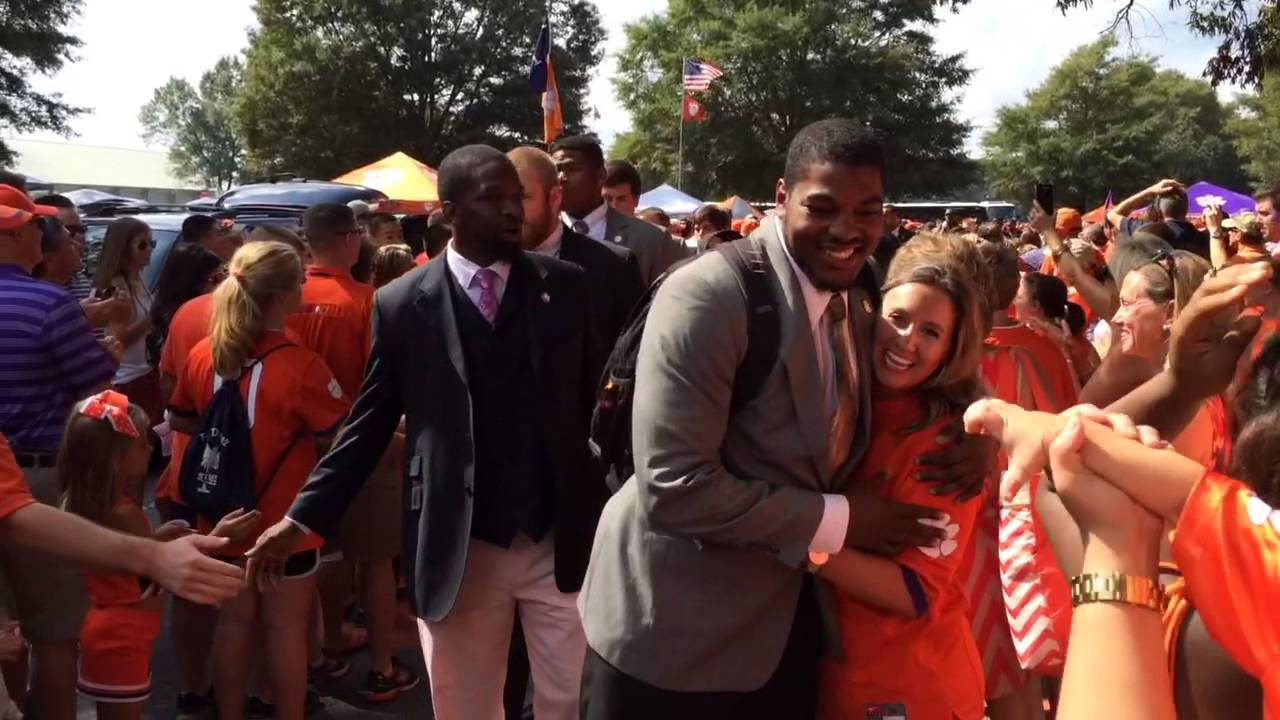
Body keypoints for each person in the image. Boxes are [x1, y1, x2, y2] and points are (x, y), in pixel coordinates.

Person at [575, 120, 990, 718]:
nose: (848, 231)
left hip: (780, 648)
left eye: (867, 211)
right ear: (781, 197)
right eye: (823, 208)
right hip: (671, 645)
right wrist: (842, 522)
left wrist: (981, 431)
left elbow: (935, 356)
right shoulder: (712, 296)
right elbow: (675, 488)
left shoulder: (853, 291)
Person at [248, 145, 605, 720]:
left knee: (572, 702)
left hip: (558, 542)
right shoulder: (401, 304)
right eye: (494, 199)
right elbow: (368, 424)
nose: (513, 211)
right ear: (450, 213)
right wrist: (302, 518)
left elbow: (599, 406)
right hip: (459, 546)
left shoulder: (565, 288)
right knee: (466, 706)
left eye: (517, 197)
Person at [168, 241, 351, 720]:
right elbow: (338, 437)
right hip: (286, 524)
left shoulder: (204, 354)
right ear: (286, 294)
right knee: (285, 633)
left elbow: (183, 422)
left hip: (223, 518)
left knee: (234, 627)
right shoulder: (301, 364)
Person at [817, 233, 990, 719]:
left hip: (909, 688)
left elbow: (915, 591)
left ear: (951, 349)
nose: (907, 341)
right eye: (898, 319)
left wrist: (804, 538)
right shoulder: (846, 397)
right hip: (839, 678)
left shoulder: (946, 446)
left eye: (931, 333)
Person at [287, 202, 418, 700]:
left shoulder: (284, 295)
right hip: (363, 440)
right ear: (350, 237)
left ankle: (323, 648)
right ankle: (383, 666)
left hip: (297, 445)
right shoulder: (367, 301)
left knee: (319, 552)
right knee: (377, 558)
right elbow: (386, 380)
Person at [0, 186, 118, 720]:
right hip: (38, 483)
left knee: (5, 631)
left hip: (18, 477)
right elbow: (94, 385)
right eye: (39, 226)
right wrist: (105, 353)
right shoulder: (51, 304)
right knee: (54, 634)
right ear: (20, 233)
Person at [61, 392, 253, 719]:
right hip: (125, 636)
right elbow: (161, 568)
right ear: (115, 459)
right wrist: (218, 534)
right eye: (141, 445)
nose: (151, 449)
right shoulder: (124, 513)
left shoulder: (84, 502)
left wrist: (157, 538)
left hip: (105, 628)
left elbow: (127, 554)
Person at [509, 146, 644, 347]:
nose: (508, 210)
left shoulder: (613, 266)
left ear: (554, 198)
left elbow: (631, 357)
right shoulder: (486, 265)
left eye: (521, 197)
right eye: (499, 198)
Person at [552, 135, 687, 287]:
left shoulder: (651, 240)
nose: (561, 178)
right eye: (557, 170)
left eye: (572, 169)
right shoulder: (538, 234)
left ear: (600, 176)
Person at [145, 245, 224, 370]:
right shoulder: (185, 320)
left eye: (225, 276)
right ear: (190, 282)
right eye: (215, 278)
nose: (223, 285)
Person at [1107, 179, 1210, 257]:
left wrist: (1150, 191)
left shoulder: (1147, 231)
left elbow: (1111, 214)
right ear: (1186, 209)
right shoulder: (1205, 238)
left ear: (1159, 212)